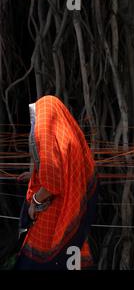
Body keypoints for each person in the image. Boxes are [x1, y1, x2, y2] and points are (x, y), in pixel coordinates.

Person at [15, 95, 97, 270]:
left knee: (41, 257)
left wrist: (35, 202)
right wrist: (34, 174)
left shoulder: (45, 130)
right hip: (72, 202)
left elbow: (53, 181)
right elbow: (63, 165)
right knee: (71, 251)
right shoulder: (67, 134)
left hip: (57, 209)